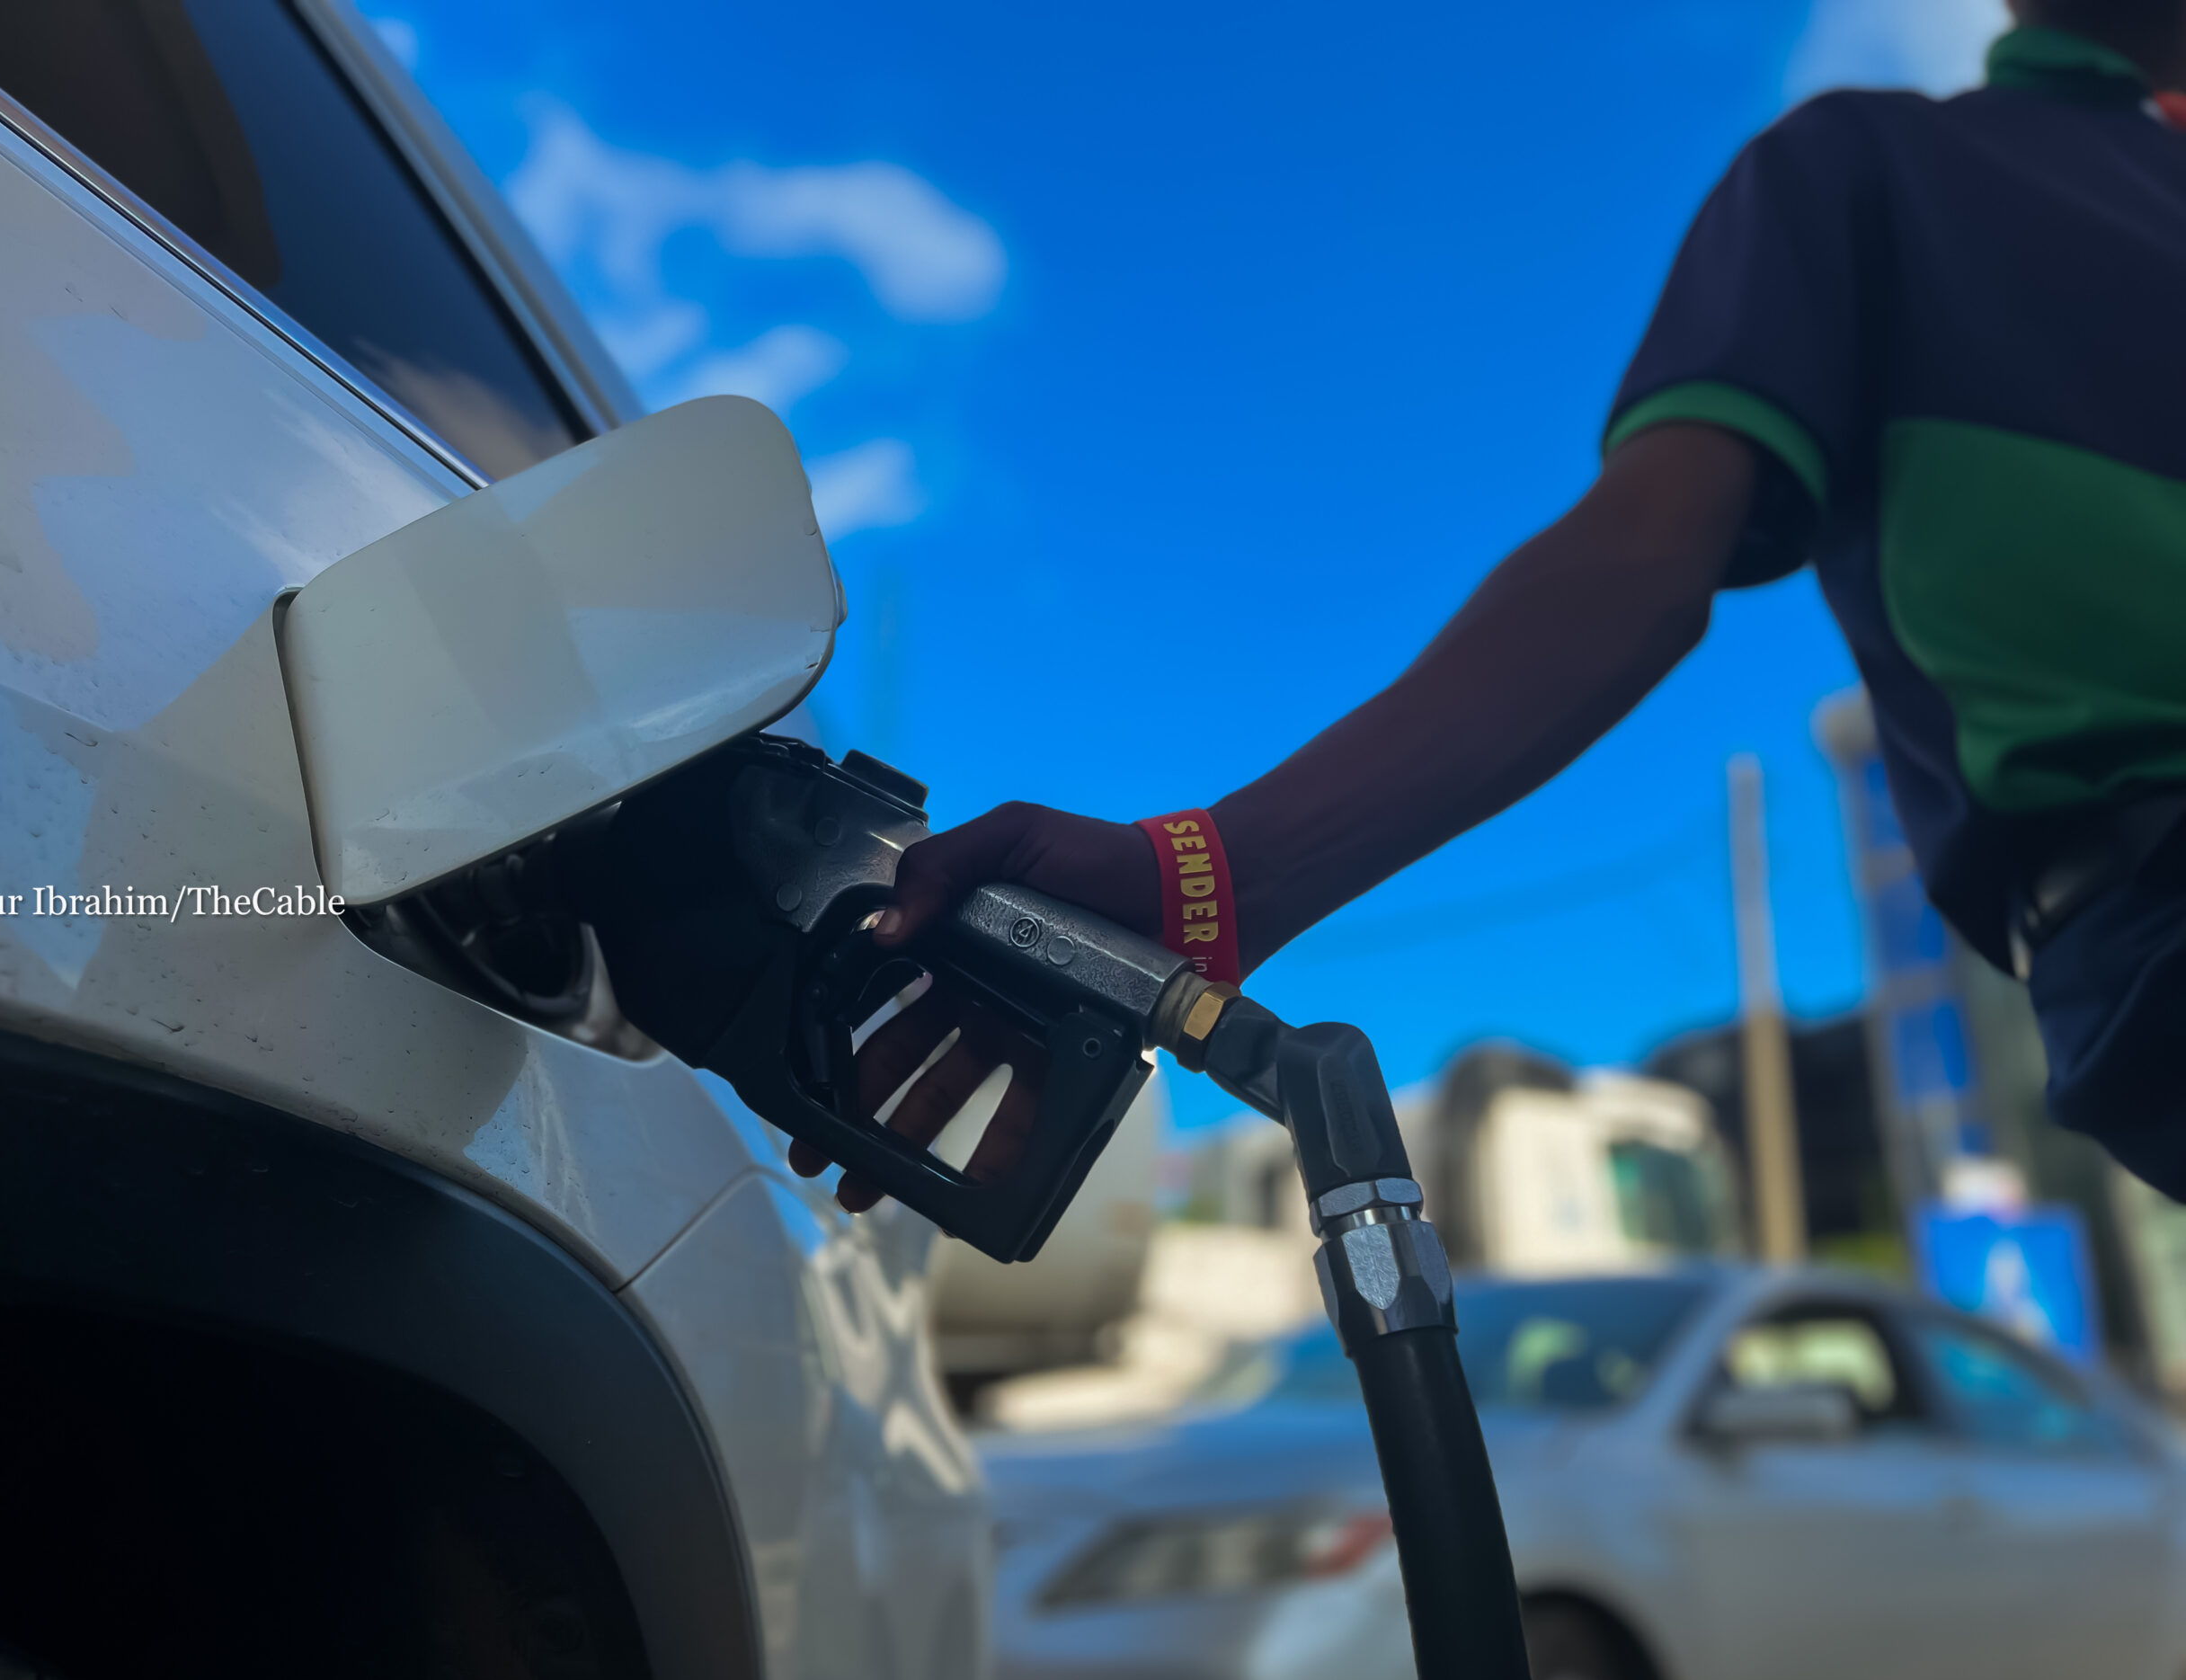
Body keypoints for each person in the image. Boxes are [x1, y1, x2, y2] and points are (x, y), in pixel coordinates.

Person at [793, 0, 2186, 1211]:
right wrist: (1204, 887)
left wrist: (1206, 882)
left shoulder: (1887, 165)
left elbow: (1641, 562)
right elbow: (1643, 563)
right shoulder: (1880, 170)